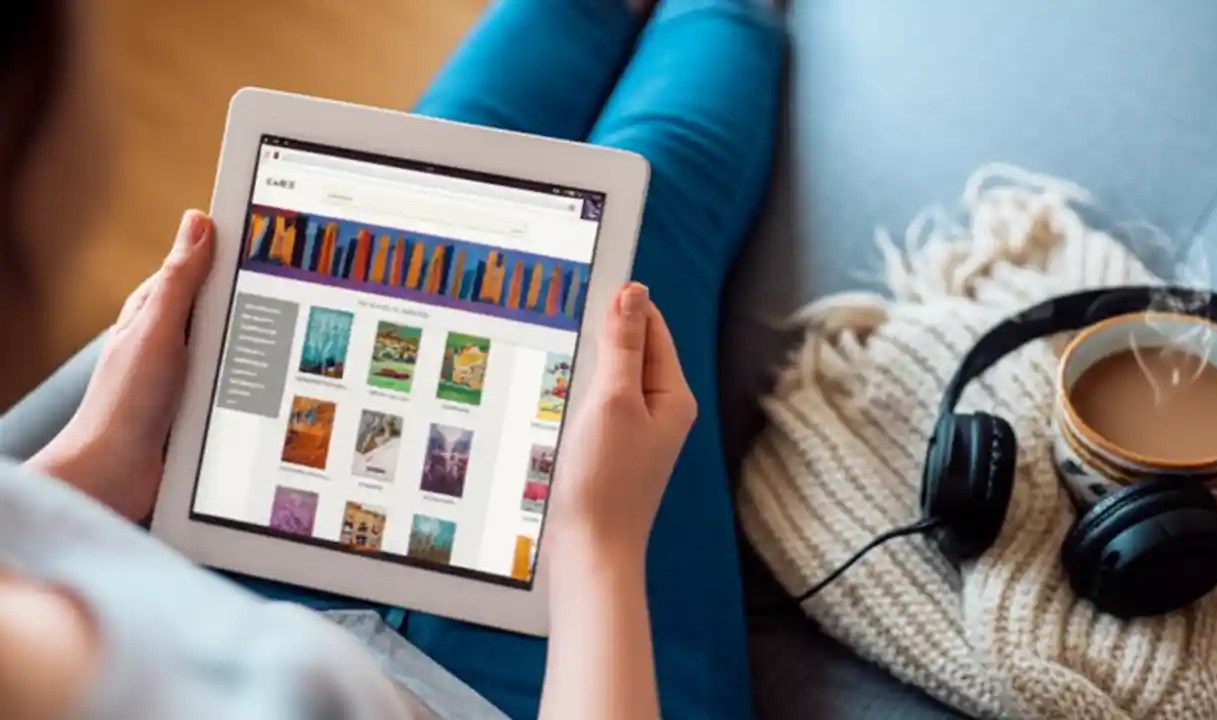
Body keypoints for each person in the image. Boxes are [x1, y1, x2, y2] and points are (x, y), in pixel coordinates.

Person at [0, 0, 784, 718]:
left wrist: (100, 460)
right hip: (534, 684)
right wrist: (597, 549)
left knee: (445, 149)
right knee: (653, 199)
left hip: (215, 564)